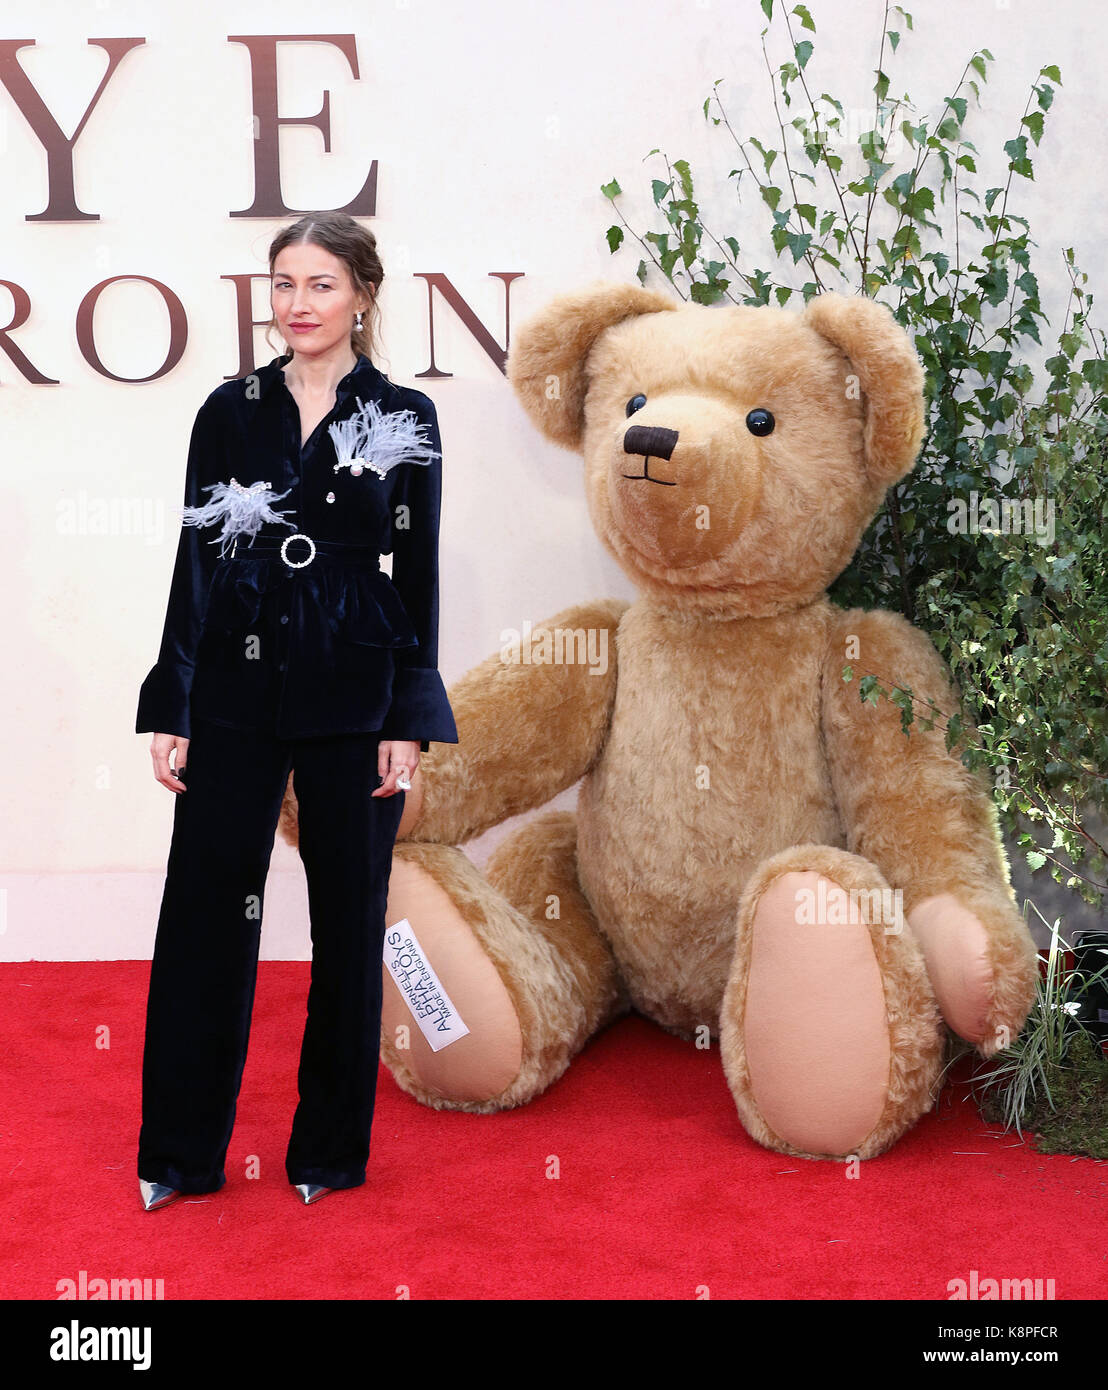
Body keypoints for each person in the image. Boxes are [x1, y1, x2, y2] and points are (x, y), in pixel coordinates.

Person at [134, 211, 458, 1210]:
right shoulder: (227, 410)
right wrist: (173, 698)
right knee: (203, 913)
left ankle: (326, 1152)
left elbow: (419, 572)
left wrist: (409, 709)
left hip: (357, 685)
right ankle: (179, 1155)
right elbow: (195, 559)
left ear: (362, 293)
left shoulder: (402, 415)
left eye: (320, 284)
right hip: (233, 681)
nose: (298, 305)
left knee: (347, 919)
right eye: (283, 284)